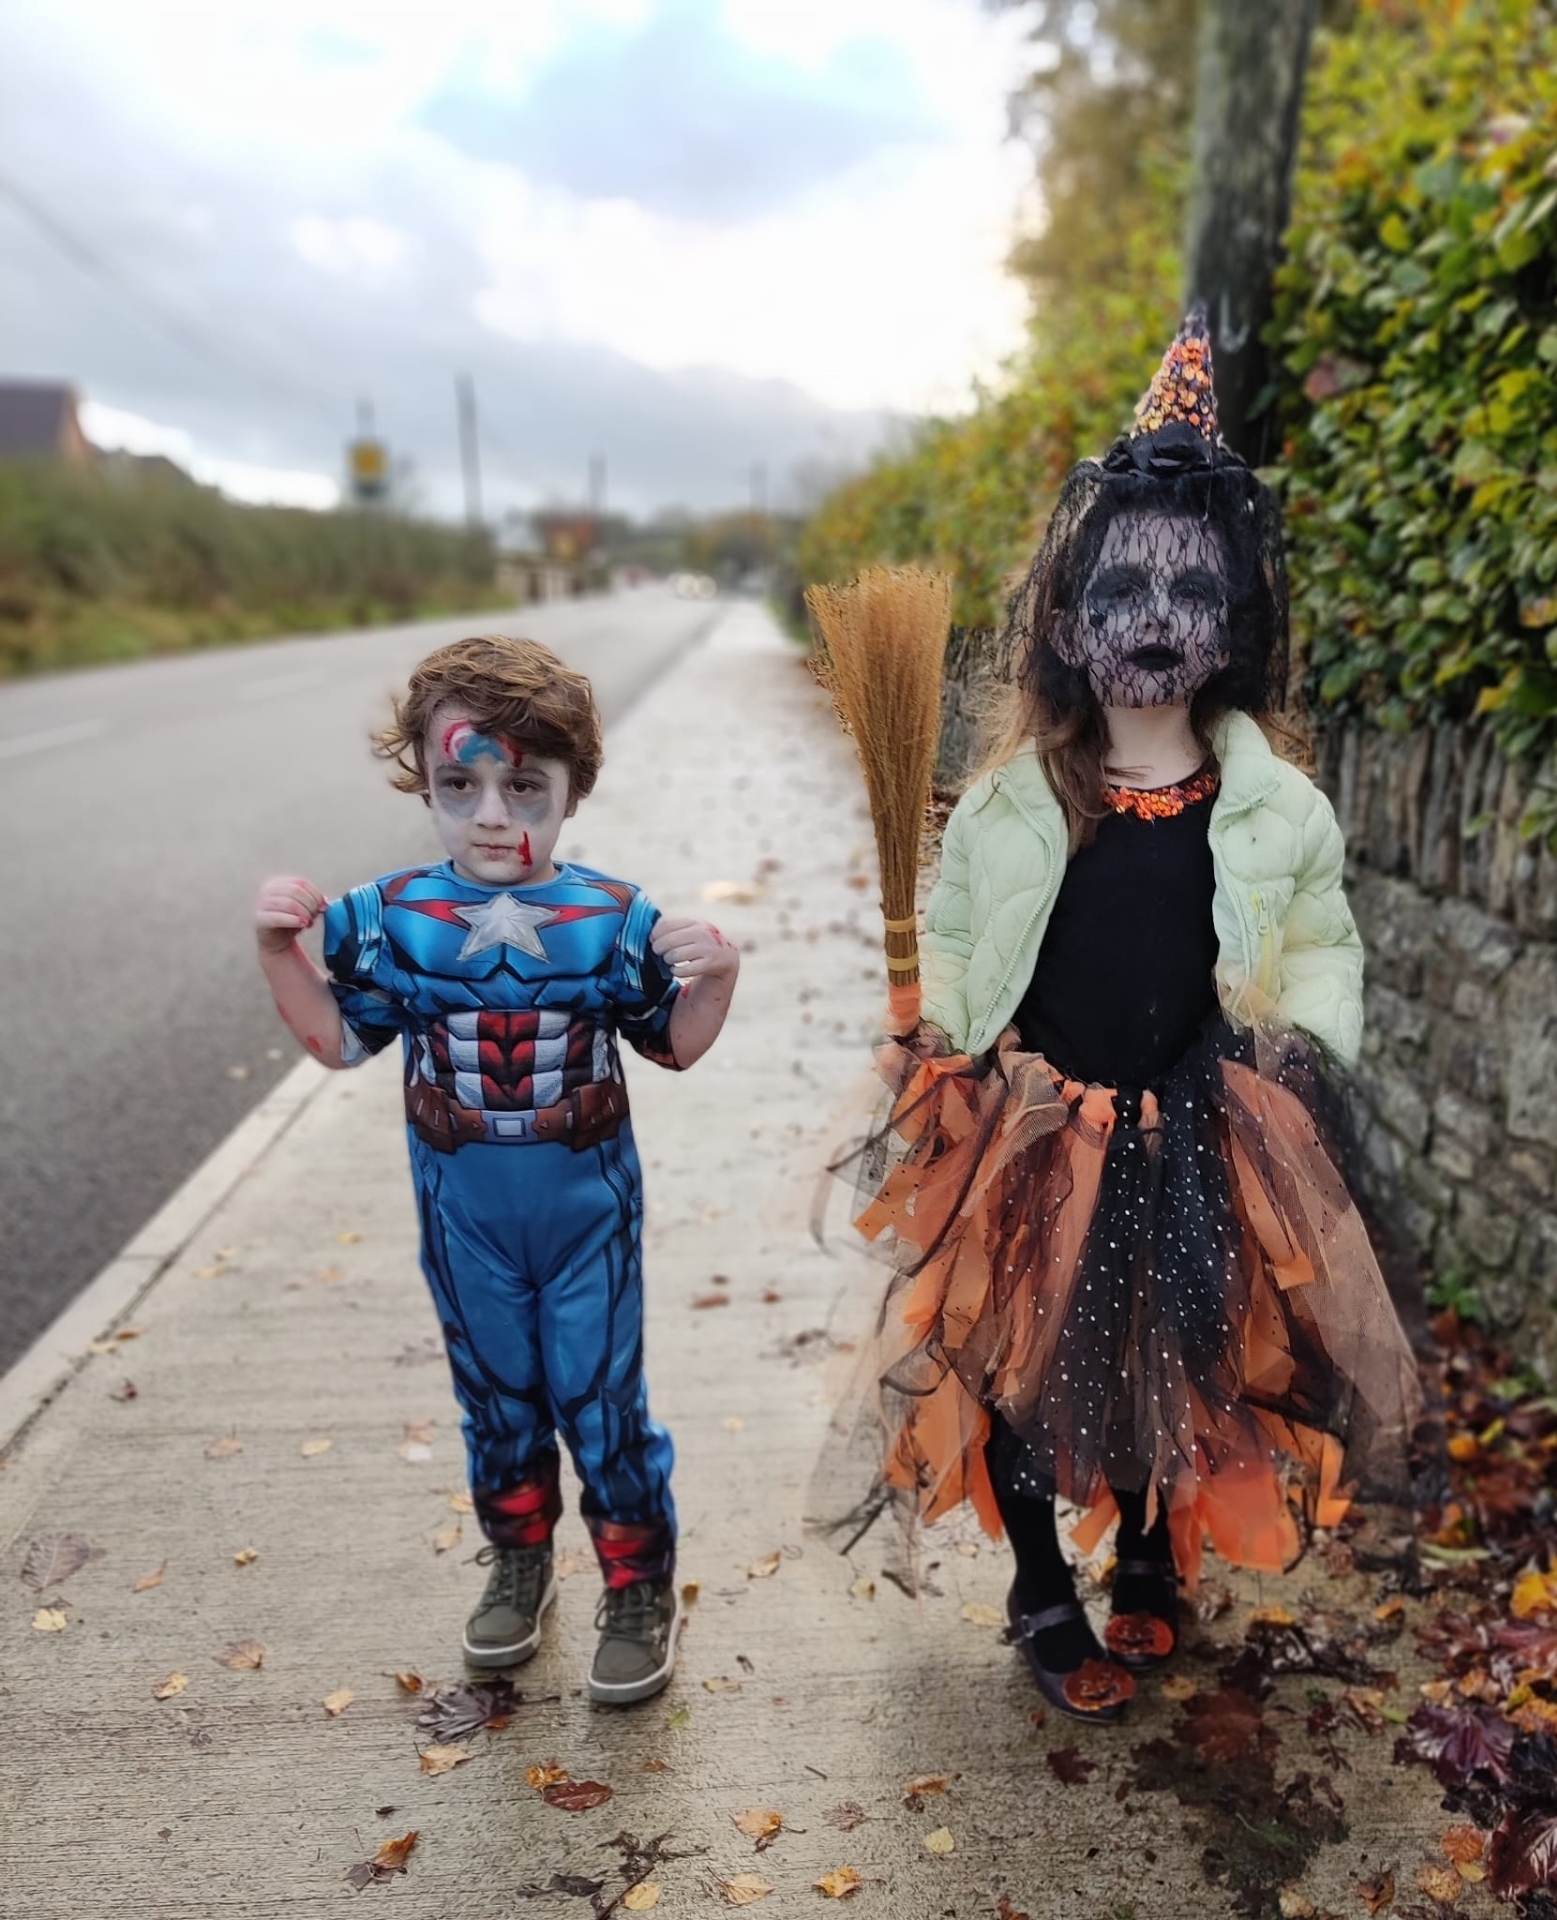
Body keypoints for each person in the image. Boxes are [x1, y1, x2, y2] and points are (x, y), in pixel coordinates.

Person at [828, 310, 1422, 1723]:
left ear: (1233, 625)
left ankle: (1151, 1557)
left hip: (1202, 1129)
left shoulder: (1277, 808)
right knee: (1031, 1369)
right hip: (1040, 1135)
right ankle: (1042, 1582)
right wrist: (938, 1036)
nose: (1155, 618)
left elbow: (1321, 940)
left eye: (1189, 591)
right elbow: (966, 939)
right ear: (1065, 615)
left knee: (1184, 1358)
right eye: (1123, 587)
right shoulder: (1011, 800)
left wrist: (1304, 1041)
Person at [253, 634, 737, 1702]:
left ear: (572, 790)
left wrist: (715, 980)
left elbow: (675, 1042)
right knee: (497, 1397)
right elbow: (340, 1041)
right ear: (425, 782)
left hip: (584, 1208)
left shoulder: (613, 921)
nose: (490, 814)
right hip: (464, 1207)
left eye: (524, 786)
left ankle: (636, 1580)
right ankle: (519, 1559)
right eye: (458, 783)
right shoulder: (394, 921)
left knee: (600, 1398)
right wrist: (282, 953)